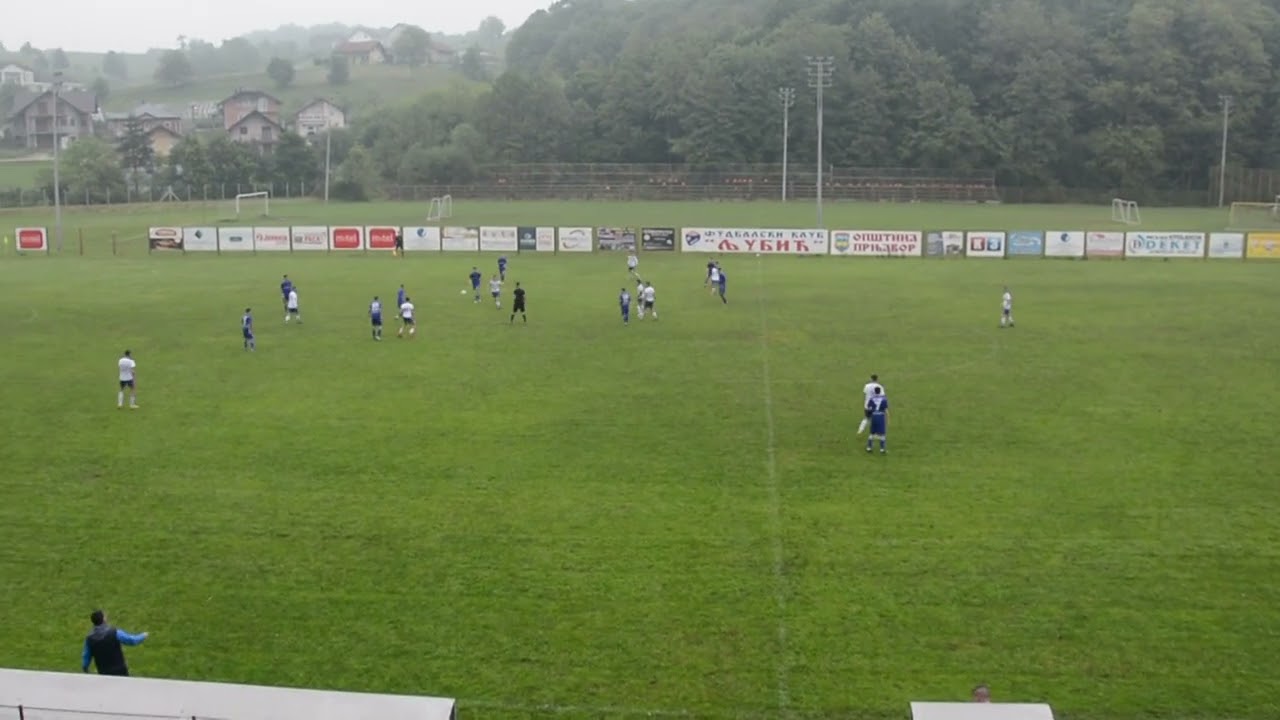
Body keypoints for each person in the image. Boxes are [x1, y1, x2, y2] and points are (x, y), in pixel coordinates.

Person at [82, 609, 148, 676]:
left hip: (103, 673)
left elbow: (86, 657)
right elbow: (131, 640)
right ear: (103, 620)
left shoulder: (89, 639)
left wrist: (85, 668)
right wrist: (143, 635)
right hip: (120, 671)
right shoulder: (114, 633)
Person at [866, 388, 889, 454]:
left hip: (873, 416)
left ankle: (869, 448)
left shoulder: (871, 399)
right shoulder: (884, 399)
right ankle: (882, 449)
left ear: (874, 392)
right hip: (880, 417)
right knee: (882, 433)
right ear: (880, 392)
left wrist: (869, 417)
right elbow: (886, 410)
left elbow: (869, 409)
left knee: (872, 432)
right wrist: (888, 418)